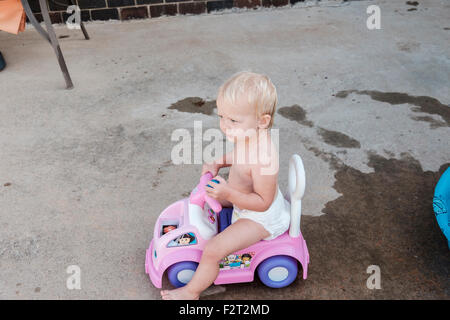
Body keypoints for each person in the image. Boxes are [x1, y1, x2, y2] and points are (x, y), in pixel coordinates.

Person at [161, 71, 290, 300]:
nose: (224, 125)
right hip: (242, 198)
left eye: (233, 120)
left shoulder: (265, 158)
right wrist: (219, 161)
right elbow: (239, 156)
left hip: (260, 218)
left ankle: (191, 291)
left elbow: (263, 202)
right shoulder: (248, 135)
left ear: (262, 121)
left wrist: (228, 192)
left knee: (212, 250)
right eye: (222, 116)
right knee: (202, 195)